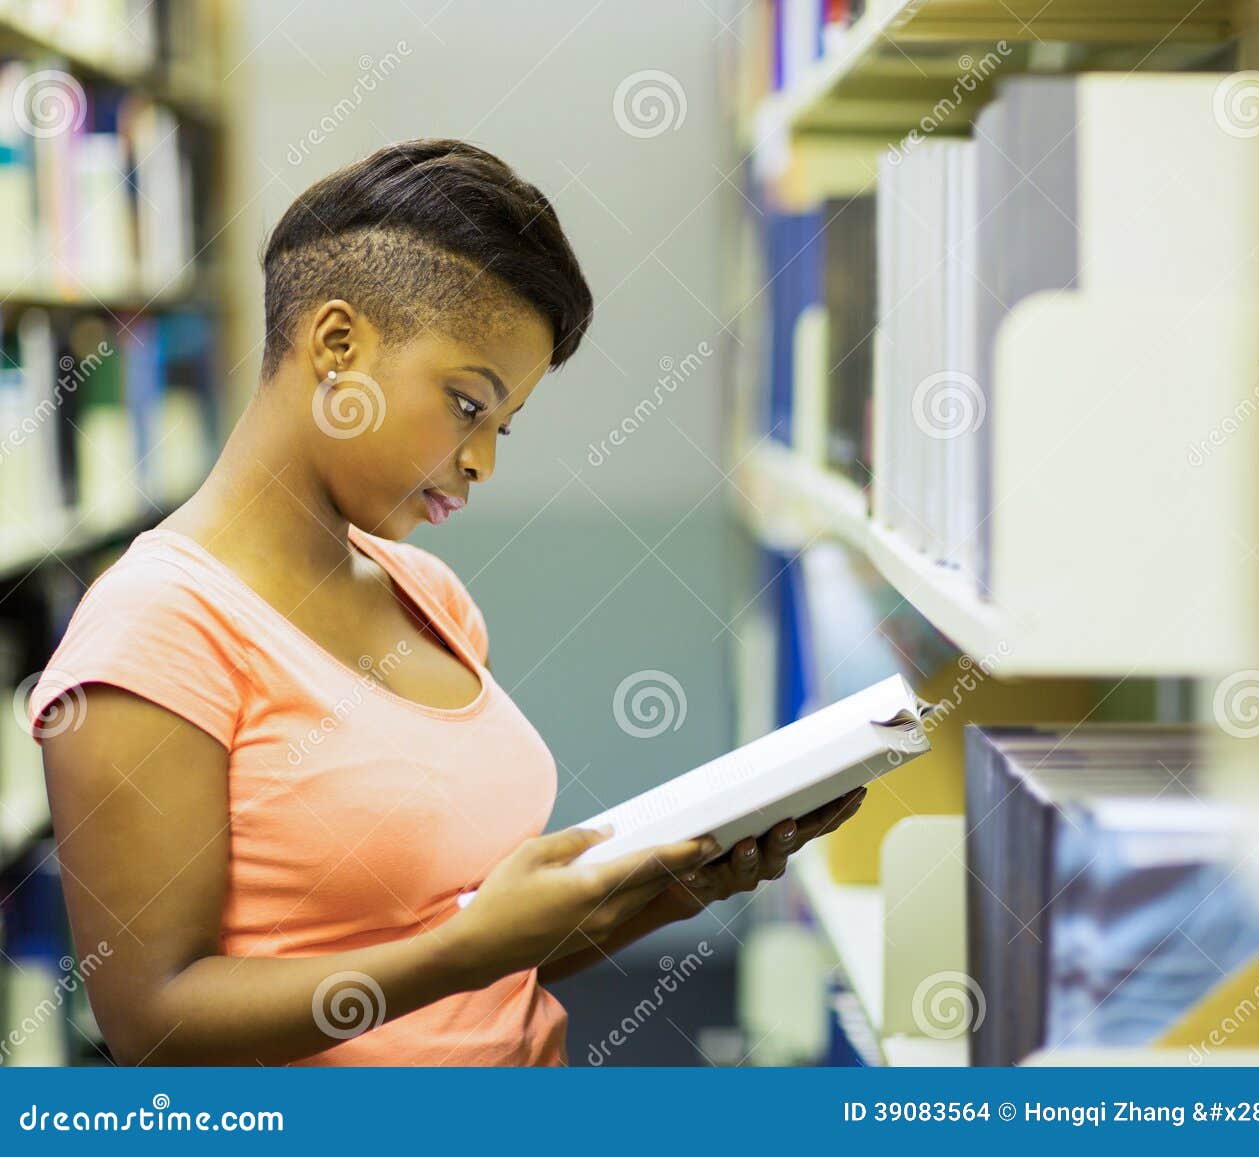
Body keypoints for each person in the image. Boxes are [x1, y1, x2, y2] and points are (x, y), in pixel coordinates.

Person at [26, 138, 866, 1066]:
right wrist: (462, 952)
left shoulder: (429, 595)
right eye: (468, 405)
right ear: (336, 344)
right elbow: (156, 1021)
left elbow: (475, 954)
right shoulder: (153, 629)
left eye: (502, 426)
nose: (482, 462)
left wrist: (668, 891)